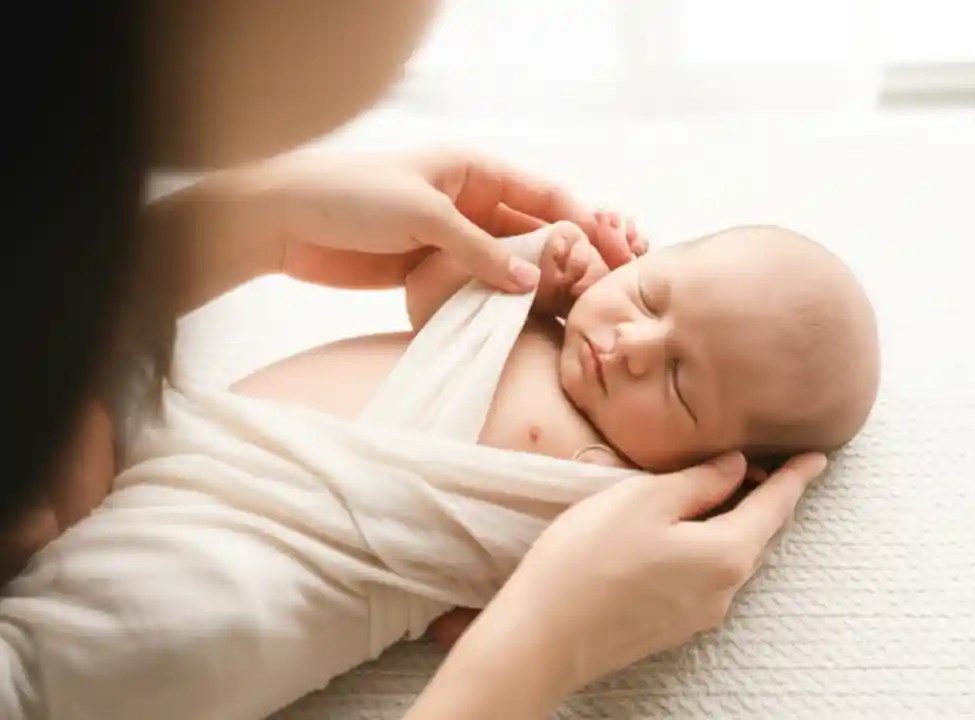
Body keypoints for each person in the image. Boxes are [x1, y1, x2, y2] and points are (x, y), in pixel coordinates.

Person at [6, 2, 831, 717]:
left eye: (683, 382)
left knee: (172, 636)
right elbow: (436, 293)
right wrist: (545, 265)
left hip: (285, 550)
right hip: (198, 435)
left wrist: (257, 217)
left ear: (728, 468)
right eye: (651, 296)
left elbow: (588, 580)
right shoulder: (538, 316)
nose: (633, 345)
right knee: (104, 397)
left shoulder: (615, 486)